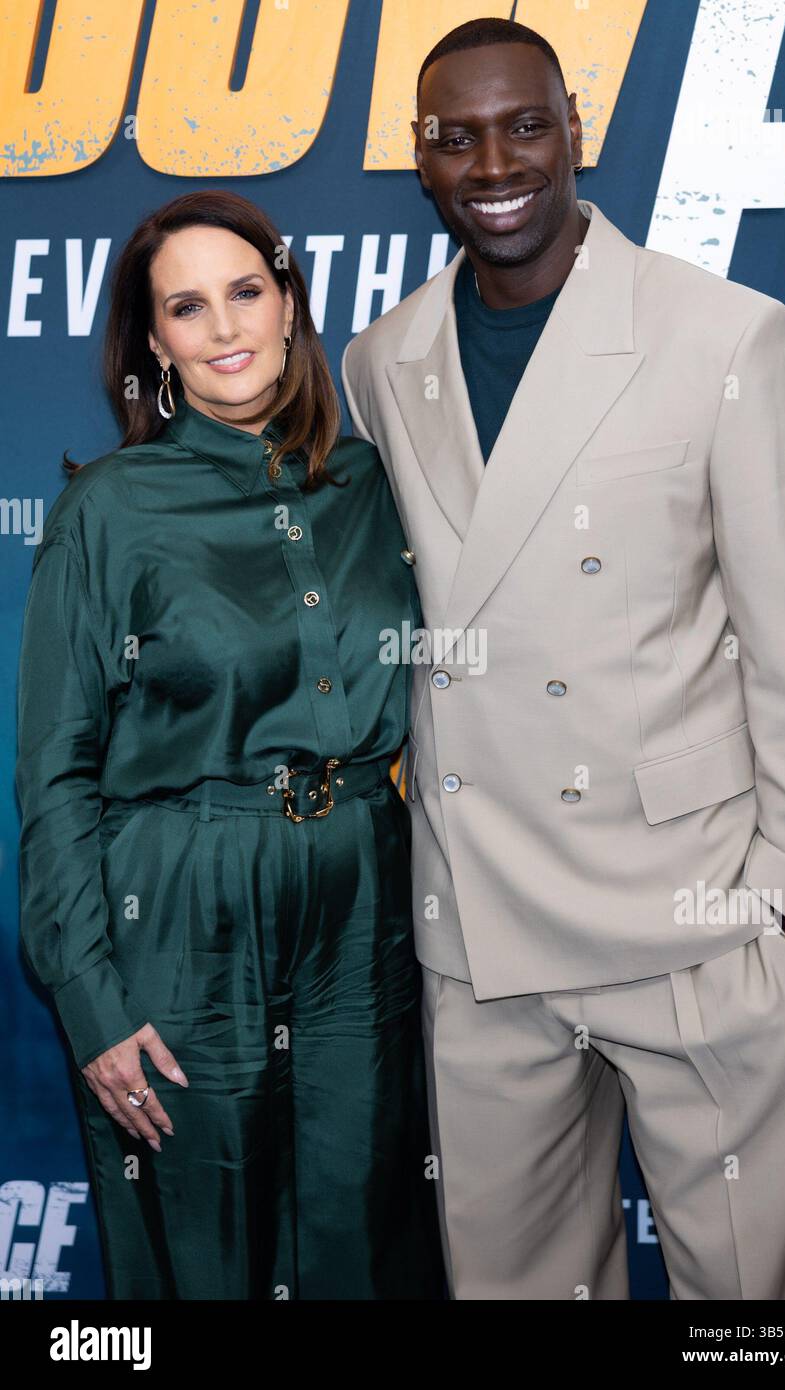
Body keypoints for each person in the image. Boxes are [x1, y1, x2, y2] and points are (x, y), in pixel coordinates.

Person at [341, 17, 785, 1299]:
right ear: (420, 164)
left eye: (524, 123)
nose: (494, 162)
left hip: (696, 924)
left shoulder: (725, 338)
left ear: (575, 128)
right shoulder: (380, 360)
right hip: (484, 938)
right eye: (454, 138)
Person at [16, 189, 443, 1300]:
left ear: (290, 302)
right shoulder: (109, 508)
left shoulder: (368, 485)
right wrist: (92, 1002)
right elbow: (55, 773)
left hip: (360, 901)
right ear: (154, 343)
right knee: (200, 1254)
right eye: (187, 308)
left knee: (362, 1235)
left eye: (246, 291)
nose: (225, 327)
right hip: (179, 910)